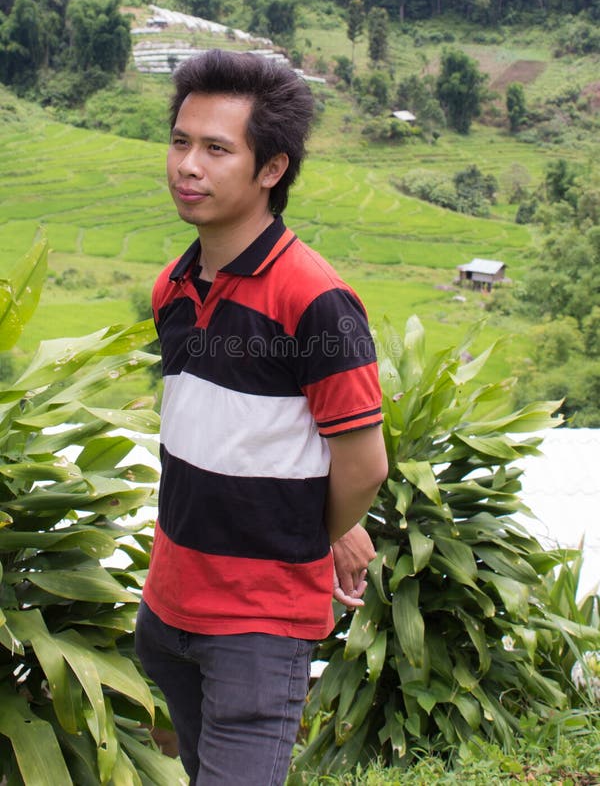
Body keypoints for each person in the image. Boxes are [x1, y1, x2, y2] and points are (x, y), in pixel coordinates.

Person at [135, 49, 388, 786]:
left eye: (218, 149)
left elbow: (364, 464)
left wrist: (330, 530)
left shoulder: (316, 302)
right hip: (169, 605)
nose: (189, 165)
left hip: (257, 623)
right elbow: (233, 432)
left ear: (271, 168)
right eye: (182, 142)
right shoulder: (173, 286)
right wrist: (336, 522)